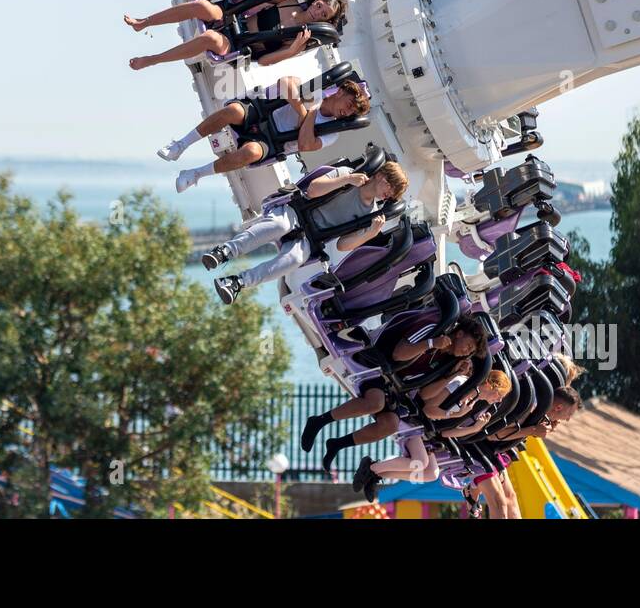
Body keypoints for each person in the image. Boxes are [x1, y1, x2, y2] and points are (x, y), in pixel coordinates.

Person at [299, 316, 487, 473]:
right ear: (460, 333)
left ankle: (336, 444)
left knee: (390, 425)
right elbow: (399, 354)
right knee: (375, 403)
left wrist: (453, 375)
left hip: (393, 383)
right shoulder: (433, 328)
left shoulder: (447, 361)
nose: (466, 352)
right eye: (469, 346)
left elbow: (425, 393)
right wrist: (431, 343)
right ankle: (319, 420)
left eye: (470, 352)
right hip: (377, 361)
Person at [204, 161, 408, 304]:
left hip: (311, 238)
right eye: (389, 185)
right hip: (296, 213)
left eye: (391, 193)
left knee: (292, 261)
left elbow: (342, 245)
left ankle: (236, 282)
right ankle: (224, 252)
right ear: (380, 175)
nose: (387, 192)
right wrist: (346, 179)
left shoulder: (371, 214)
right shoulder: (348, 173)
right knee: (278, 226)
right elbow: (313, 190)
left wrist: (370, 234)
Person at [163, 75, 371, 191]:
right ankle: (180, 144)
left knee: (251, 153)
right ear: (341, 92)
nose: (348, 111)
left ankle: (195, 174)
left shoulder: (332, 133)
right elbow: (287, 82)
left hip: (271, 140)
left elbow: (307, 145)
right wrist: (302, 111)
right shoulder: (319, 89)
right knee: (233, 111)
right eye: (350, 104)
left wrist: (310, 115)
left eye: (352, 112)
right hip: (261, 113)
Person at [350, 369, 513, 501]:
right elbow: (429, 409)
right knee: (420, 462)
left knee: (431, 474)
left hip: (425, 430)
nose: (498, 401)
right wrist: (455, 415)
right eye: (500, 395)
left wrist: (474, 428)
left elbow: (446, 431)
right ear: (491, 385)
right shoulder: (460, 384)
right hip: (411, 419)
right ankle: (370, 467)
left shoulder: (473, 401)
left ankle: (375, 475)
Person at [125, 0, 346, 71]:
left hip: (238, 45)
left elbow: (266, 61)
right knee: (202, 6)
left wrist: (293, 50)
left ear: (326, 21)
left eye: (324, 15)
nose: (318, 13)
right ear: (315, 1)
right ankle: (144, 22)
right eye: (320, 6)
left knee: (210, 39)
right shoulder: (290, 1)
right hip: (235, 18)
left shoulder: (298, 39)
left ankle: (153, 60)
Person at [464, 384, 584, 518]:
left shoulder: (540, 413)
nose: (567, 419)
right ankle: (472, 490)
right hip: (478, 447)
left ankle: (472, 490)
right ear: (558, 407)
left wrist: (539, 427)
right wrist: (533, 430)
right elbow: (493, 435)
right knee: (499, 503)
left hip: (494, 453)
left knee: (511, 499)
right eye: (569, 414)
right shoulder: (529, 407)